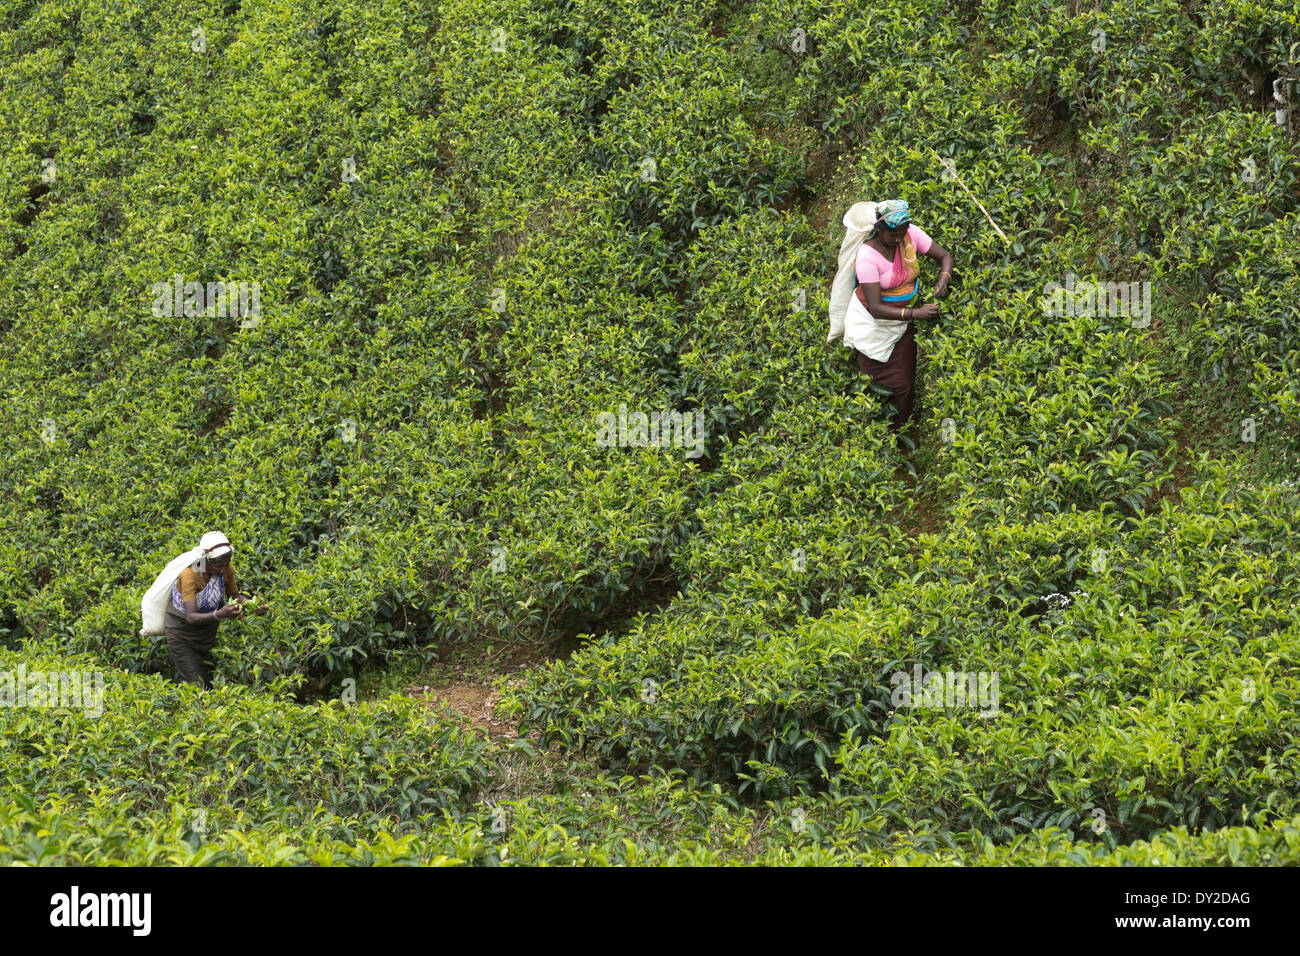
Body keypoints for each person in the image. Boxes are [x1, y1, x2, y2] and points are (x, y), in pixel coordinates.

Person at [850, 199, 955, 440]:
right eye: (892, 235)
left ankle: (899, 433)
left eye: (901, 233)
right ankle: (873, 435)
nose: (898, 240)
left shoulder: (911, 235)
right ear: (880, 230)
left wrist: (945, 277)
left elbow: (945, 256)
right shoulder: (867, 255)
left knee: (904, 385)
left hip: (901, 324)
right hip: (873, 324)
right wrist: (915, 314)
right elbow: (876, 307)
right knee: (873, 381)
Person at [164, 531, 266, 688]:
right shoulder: (190, 575)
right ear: (206, 561)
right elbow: (191, 616)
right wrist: (220, 614)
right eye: (220, 565)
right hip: (182, 634)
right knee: (196, 685)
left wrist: (252, 605)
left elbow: (236, 595)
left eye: (227, 563)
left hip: (207, 633)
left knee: (209, 681)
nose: (224, 569)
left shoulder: (225, 570)